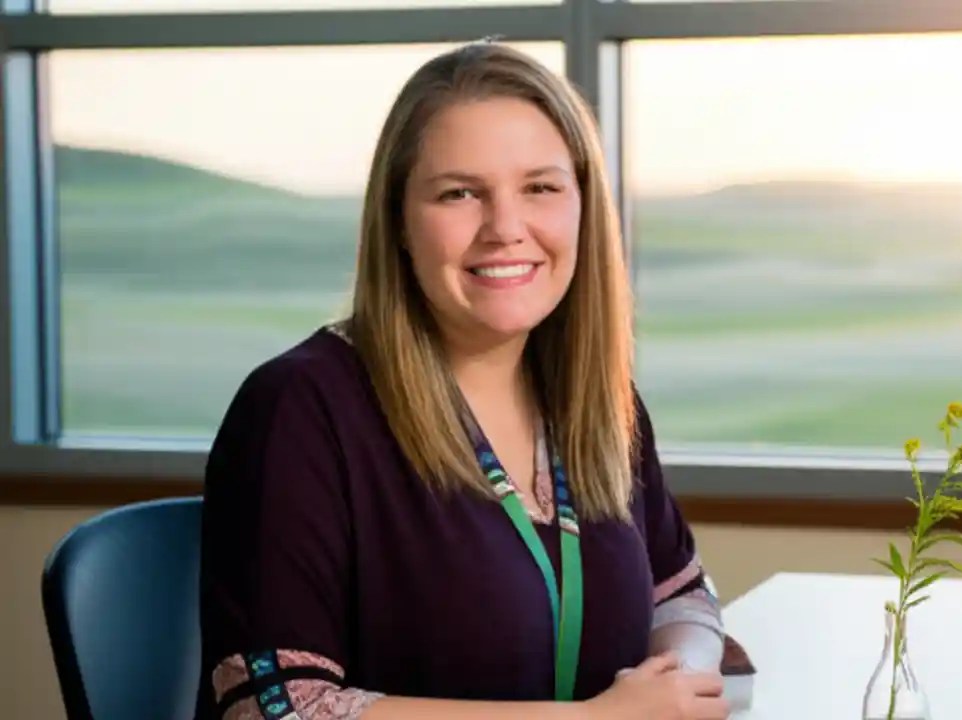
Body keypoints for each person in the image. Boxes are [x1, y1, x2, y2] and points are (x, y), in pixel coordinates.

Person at [195, 41, 730, 720]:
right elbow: (277, 708)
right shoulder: (298, 410)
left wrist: (678, 682)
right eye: (459, 193)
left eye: (540, 188)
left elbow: (681, 594)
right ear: (398, 221)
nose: (505, 228)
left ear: (583, 207)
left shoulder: (595, 400)